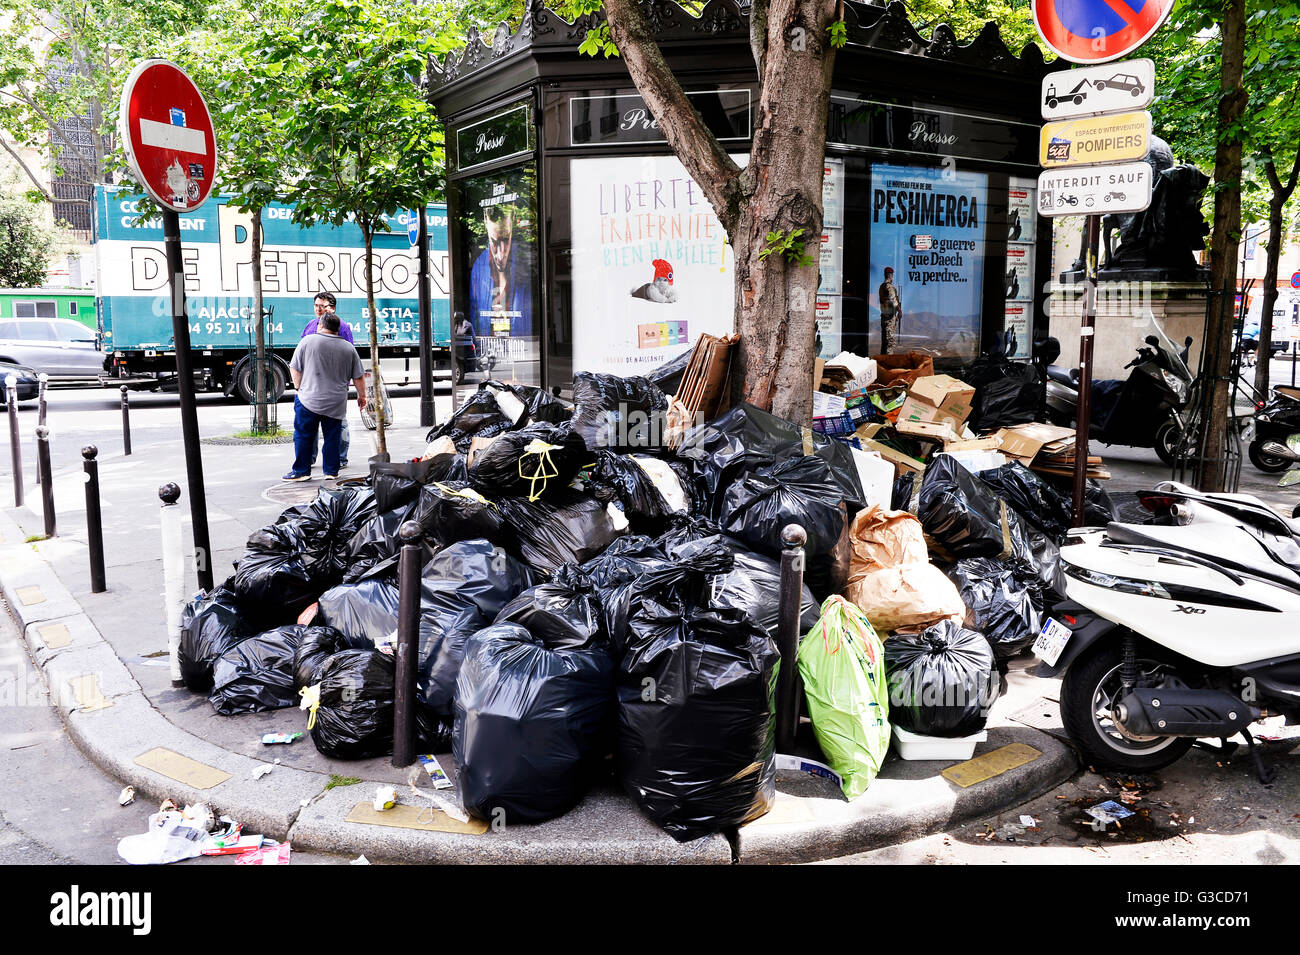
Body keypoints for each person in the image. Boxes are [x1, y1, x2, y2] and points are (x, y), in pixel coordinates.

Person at [283, 311, 365, 482]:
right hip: (336, 402)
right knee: (332, 437)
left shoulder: (307, 341)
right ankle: (331, 471)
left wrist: (299, 387)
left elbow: (294, 367)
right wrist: (362, 396)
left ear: (321, 325)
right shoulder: (348, 348)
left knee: (304, 435)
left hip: (308, 399)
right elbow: (358, 376)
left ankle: (301, 471)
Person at [303, 292, 353, 469]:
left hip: (335, 385)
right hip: (312, 386)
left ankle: (340, 458)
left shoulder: (343, 327)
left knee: (339, 423)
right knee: (311, 425)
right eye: (316, 305)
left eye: (322, 306)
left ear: (332, 308)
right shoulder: (310, 325)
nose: (318, 309)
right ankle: (309, 458)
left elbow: (348, 356)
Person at [468, 204, 532, 338]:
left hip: (522, 355)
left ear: (513, 218)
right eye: (495, 242)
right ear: (485, 220)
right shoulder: (478, 269)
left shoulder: (527, 262)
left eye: (505, 240)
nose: (501, 255)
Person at [878, 266, 901, 354]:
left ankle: (882, 363)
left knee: (884, 342)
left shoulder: (881, 286)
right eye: (892, 275)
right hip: (890, 317)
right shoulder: (889, 287)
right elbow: (893, 301)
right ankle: (888, 363)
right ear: (891, 275)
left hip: (884, 316)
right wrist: (899, 310)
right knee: (890, 343)